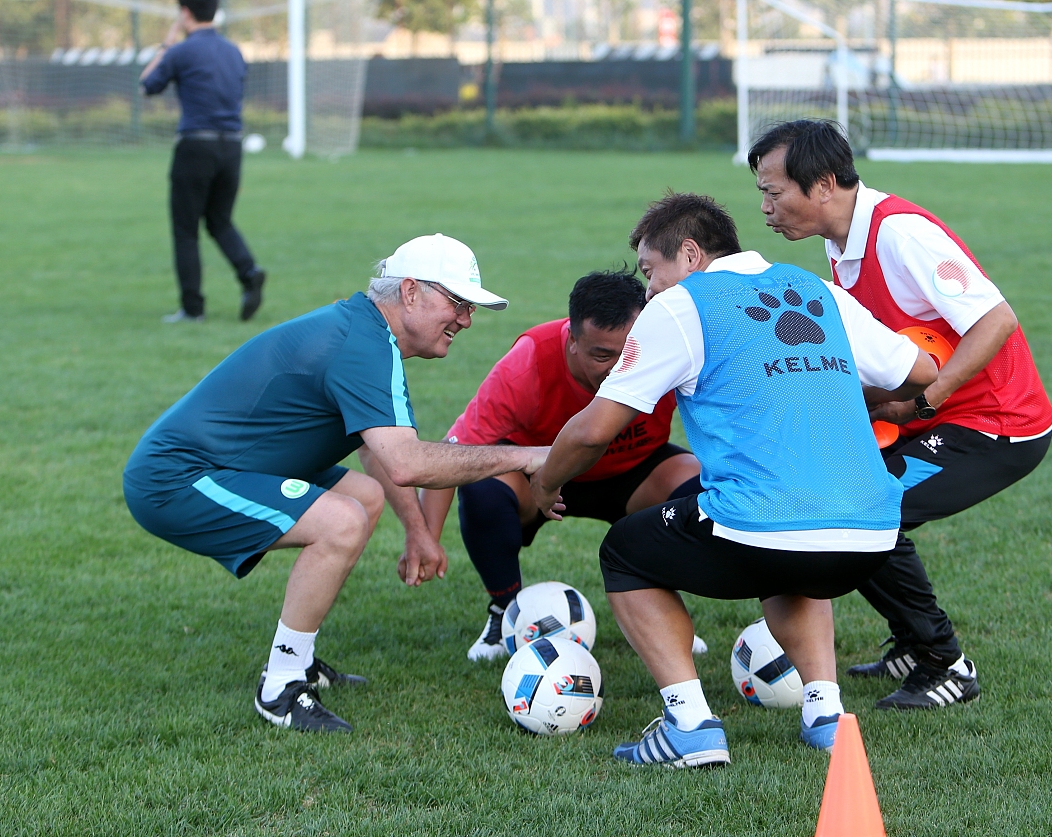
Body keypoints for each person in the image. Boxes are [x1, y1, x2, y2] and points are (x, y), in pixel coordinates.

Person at [529, 193, 939, 763]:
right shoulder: (815, 289)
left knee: (625, 552)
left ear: (689, 254)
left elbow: (593, 430)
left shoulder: (681, 305)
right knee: (785, 549)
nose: (648, 290)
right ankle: (826, 714)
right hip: (872, 533)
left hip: (767, 523)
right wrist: (826, 379)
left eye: (650, 271)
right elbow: (920, 371)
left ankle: (690, 726)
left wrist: (546, 484)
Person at [124, 234, 548, 733]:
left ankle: (298, 660)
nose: (466, 320)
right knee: (341, 521)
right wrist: (524, 456)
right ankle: (281, 687)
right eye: (457, 303)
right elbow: (408, 462)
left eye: (469, 308)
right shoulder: (363, 344)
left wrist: (418, 532)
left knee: (363, 498)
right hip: (176, 478)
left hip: (231, 465)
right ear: (410, 291)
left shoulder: (368, 333)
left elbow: (376, 451)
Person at [749, 120, 1052, 710]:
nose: (765, 207)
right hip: (934, 417)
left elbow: (996, 321)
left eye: (773, 192)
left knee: (866, 510)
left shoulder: (901, 234)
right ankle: (915, 647)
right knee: (836, 499)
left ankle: (945, 664)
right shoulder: (842, 241)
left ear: (824, 184)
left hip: (998, 423)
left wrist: (922, 402)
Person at [418, 268, 705, 661]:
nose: (617, 368)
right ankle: (506, 612)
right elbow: (455, 451)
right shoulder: (530, 361)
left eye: (628, 353)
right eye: (601, 355)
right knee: (481, 484)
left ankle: (662, 613)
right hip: (538, 476)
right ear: (571, 339)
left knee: (704, 487)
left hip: (633, 472)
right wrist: (426, 538)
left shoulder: (668, 350)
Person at [140, 0, 267, 323]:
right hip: (232, 146)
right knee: (219, 220)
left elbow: (148, 84)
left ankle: (192, 309)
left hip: (196, 145)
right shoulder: (234, 51)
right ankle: (249, 272)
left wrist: (166, 45)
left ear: (185, 13)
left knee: (185, 229)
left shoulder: (181, 51)